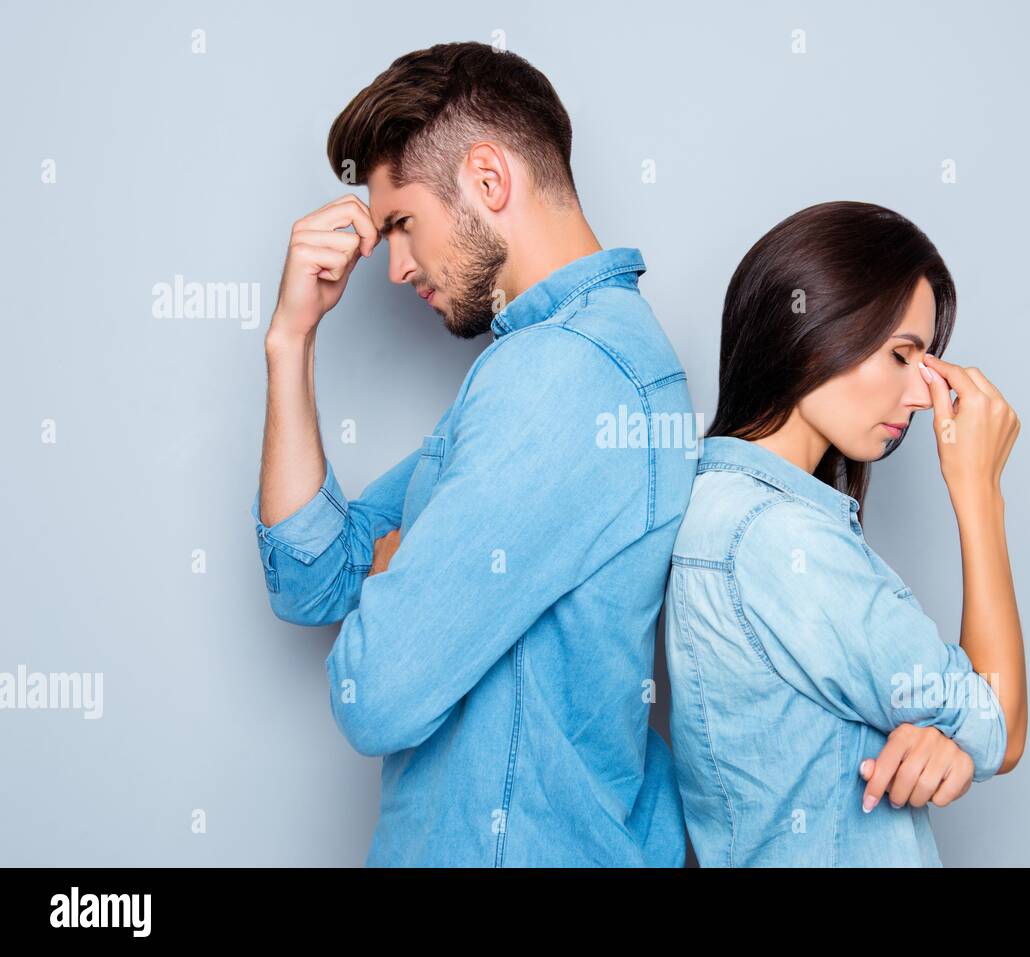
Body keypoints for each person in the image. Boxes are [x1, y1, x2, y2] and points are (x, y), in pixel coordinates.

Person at [250, 42, 696, 866]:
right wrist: (291, 340)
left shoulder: (562, 377)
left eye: (402, 225)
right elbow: (314, 576)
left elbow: (372, 691)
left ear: (489, 180)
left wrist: (391, 577)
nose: (395, 268)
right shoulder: (543, 365)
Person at [665, 201, 1028, 866]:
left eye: (928, 364)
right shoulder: (778, 538)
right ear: (813, 325)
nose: (922, 396)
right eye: (900, 355)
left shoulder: (719, 506)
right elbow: (1001, 724)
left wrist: (945, 734)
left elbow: (959, 722)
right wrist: (979, 492)